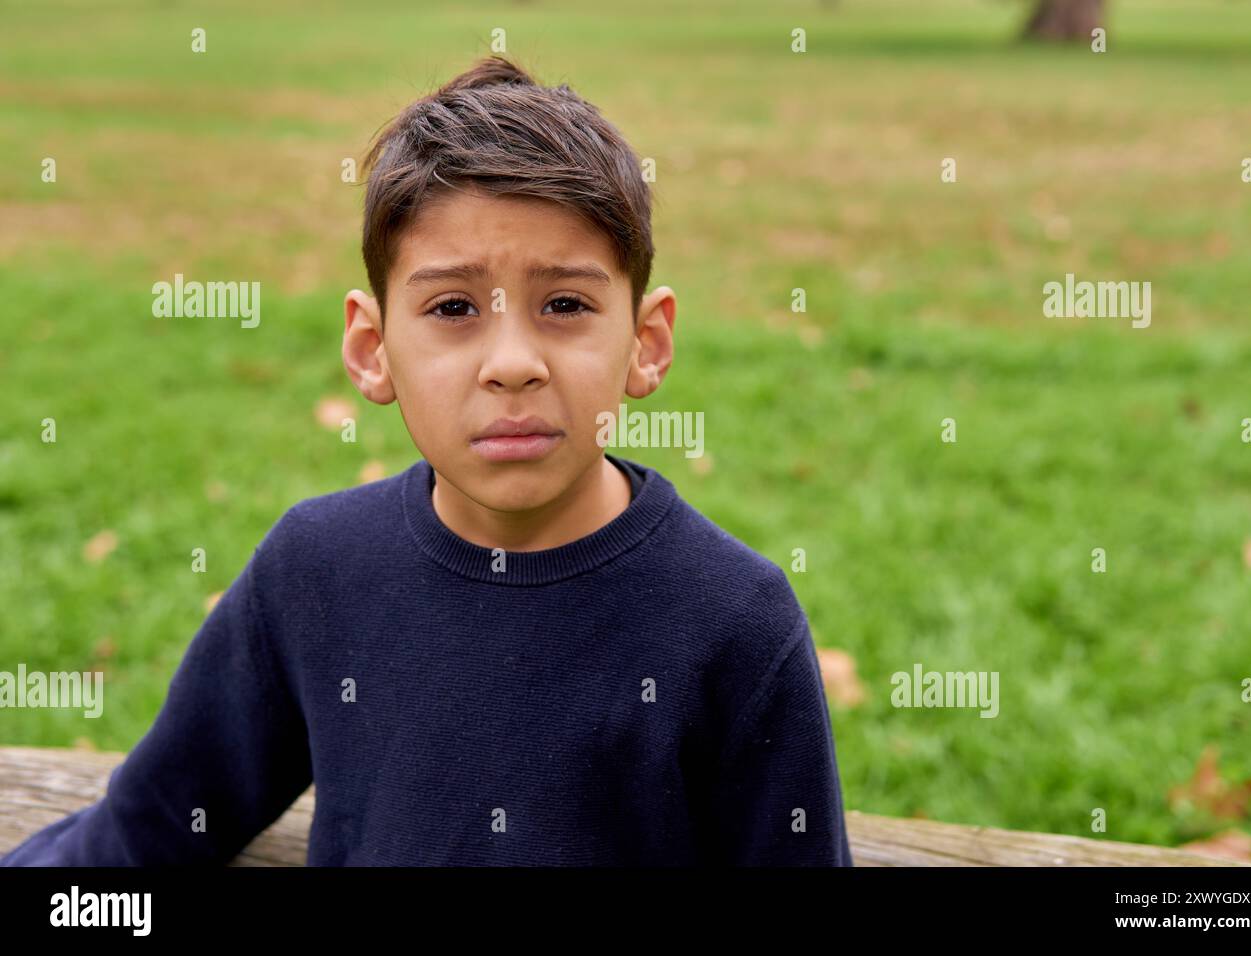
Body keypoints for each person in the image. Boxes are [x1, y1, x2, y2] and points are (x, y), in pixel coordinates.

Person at [2, 55, 853, 867]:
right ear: (372, 349)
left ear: (647, 342)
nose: (512, 361)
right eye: (453, 307)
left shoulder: (735, 623)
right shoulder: (317, 572)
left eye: (565, 303)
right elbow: (151, 829)